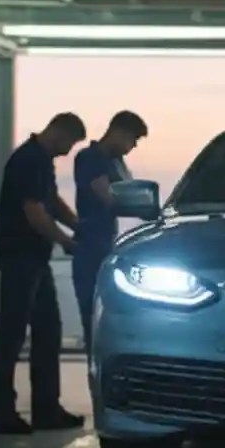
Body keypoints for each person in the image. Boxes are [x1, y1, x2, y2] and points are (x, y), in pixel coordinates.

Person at [0, 112, 88, 435]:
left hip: (35, 259)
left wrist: (76, 224)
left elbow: (51, 201)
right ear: (58, 133)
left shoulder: (41, 160)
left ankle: (47, 409)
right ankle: (1, 413)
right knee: (11, 334)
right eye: (69, 144)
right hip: (20, 257)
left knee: (48, 331)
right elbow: (35, 213)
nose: (68, 151)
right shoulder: (29, 159)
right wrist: (66, 241)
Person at [72, 110, 148, 358]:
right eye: (131, 140)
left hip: (106, 245)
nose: (132, 147)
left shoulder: (115, 163)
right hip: (90, 247)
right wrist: (144, 208)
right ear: (118, 132)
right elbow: (107, 198)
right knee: (93, 317)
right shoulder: (90, 158)